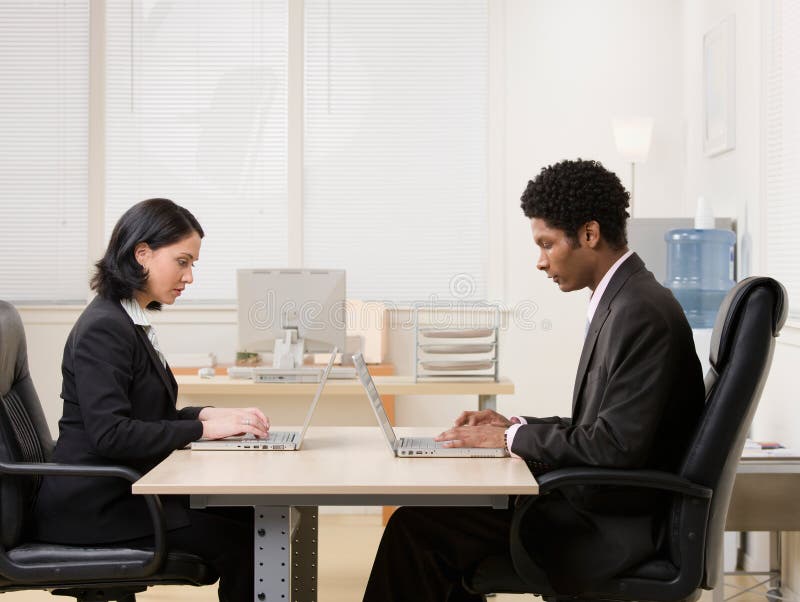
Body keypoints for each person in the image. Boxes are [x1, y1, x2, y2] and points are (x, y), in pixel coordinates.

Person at [363, 159, 706, 601]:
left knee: (416, 527)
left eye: (546, 244)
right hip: (598, 506)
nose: (540, 262)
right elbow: (604, 428)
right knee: (429, 520)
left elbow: (614, 446)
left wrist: (513, 442)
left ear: (589, 234)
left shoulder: (640, 313)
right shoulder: (627, 300)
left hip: (607, 528)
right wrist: (513, 427)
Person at [32, 198, 270, 601]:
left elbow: (147, 416)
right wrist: (203, 429)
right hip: (97, 506)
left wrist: (209, 414)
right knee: (253, 540)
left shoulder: (127, 320)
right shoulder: (104, 328)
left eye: (192, 264)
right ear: (142, 254)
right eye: (182, 261)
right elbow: (112, 434)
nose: (190, 276)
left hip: (120, 491)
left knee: (255, 518)